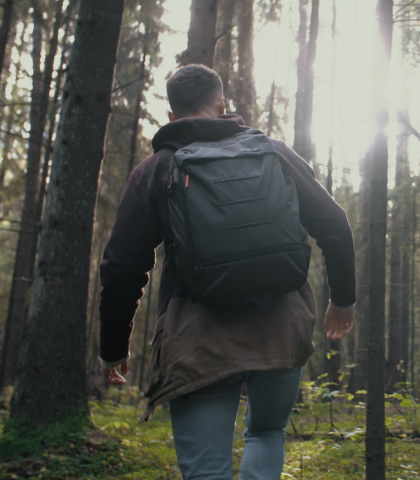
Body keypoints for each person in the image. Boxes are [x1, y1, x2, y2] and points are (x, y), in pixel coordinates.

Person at [98, 64, 356, 480]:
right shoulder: (273, 151)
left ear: (171, 116)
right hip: (280, 326)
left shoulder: (157, 168)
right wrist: (342, 299)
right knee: (267, 433)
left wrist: (113, 346)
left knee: (207, 470)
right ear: (221, 104)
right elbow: (335, 226)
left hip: (198, 335)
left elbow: (122, 267)